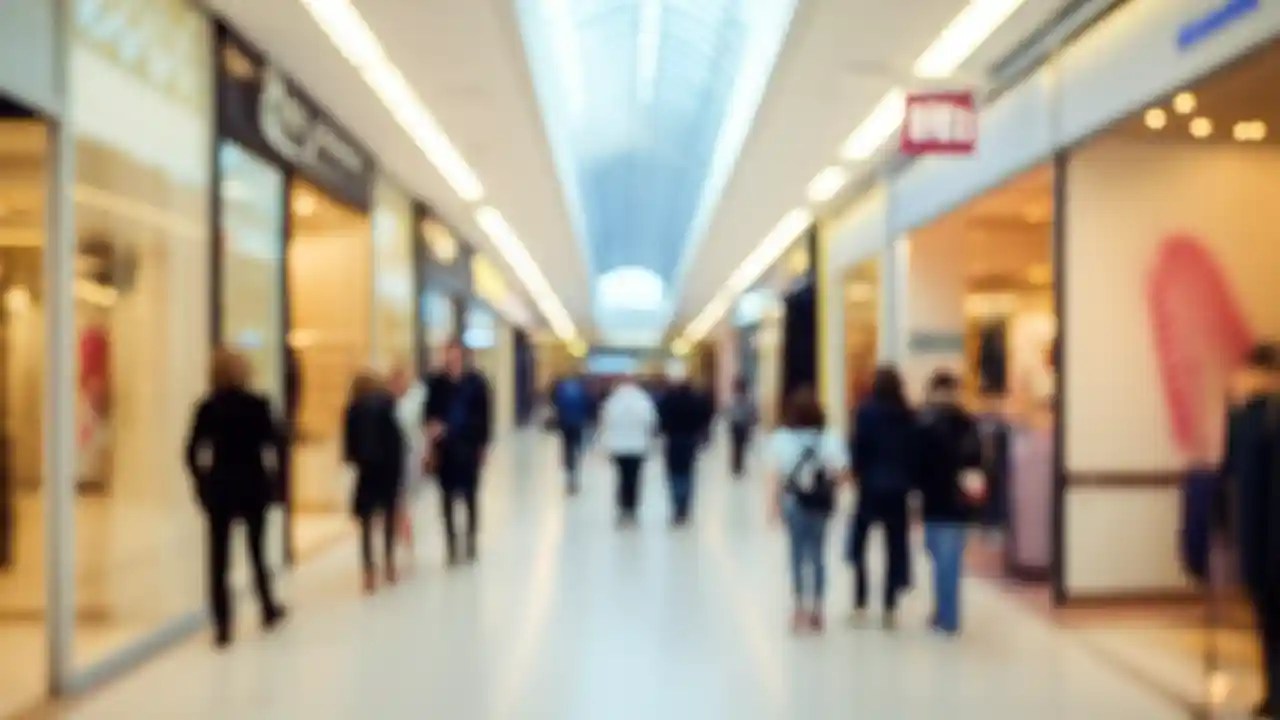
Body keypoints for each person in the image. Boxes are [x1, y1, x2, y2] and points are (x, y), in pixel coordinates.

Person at [184, 349, 286, 648]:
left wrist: (201, 482)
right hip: (253, 484)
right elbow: (276, 444)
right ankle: (267, 608)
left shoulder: (208, 407)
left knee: (219, 558)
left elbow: (192, 450)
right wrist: (274, 481)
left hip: (221, 487)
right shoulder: (258, 405)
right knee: (257, 551)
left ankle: (223, 625)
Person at [1222, 344, 1279, 719]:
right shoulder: (1248, 418)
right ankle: (1273, 692)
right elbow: (1229, 470)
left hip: (1266, 539)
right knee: (1267, 622)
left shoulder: (1257, 420)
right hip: (1260, 541)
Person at [769, 387, 850, 633]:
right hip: (821, 504)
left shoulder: (781, 438)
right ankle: (818, 609)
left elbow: (774, 476)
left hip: (793, 502)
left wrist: (772, 506)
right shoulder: (831, 438)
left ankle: (798, 609)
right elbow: (843, 473)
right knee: (817, 555)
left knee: (796, 555)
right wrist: (827, 486)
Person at [916, 370, 985, 636]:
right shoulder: (967, 424)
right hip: (958, 501)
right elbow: (977, 462)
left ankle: (948, 617)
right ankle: (944, 612)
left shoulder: (925, 423)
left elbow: (918, 465)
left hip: (935, 501)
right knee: (948, 560)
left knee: (942, 560)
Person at [847, 366, 916, 628]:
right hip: (898, 489)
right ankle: (889, 606)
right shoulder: (907, 414)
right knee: (895, 545)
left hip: (870, 486)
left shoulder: (865, 412)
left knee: (860, 544)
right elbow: (913, 451)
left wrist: (856, 473)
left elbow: (859, 446)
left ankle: (860, 601)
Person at [424, 341, 492, 565]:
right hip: (445, 449)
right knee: (446, 498)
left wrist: (483, 446)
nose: (451, 359)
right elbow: (428, 414)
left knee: (471, 496)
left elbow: (485, 417)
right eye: (448, 355)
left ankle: (471, 541)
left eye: (455, 355)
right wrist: (432, 439)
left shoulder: (477, 383)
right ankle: (451, 544)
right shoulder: (436, 383)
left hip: (469, 447)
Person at [344, 371, 406, 593]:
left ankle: (369, 572)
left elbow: (349, 448)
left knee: (367, 523)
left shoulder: (352, 409)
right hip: (387, 470)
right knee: (388, 517)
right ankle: (389, 565)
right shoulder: (387, 405)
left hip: (366, 470)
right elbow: (397, 440)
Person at [599, 375, 658, 525]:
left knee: (621, 477)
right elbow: (651, 421)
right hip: (638, 446)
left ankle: (622, 508)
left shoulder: (613, 400)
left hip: (618, 447)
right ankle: (632, 508)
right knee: (635, 478)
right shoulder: (643, 400)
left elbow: (605, 421)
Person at [388, 362, 428, 560]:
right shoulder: (389, 403)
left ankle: (404, 537)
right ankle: (401, 537)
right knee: (398, 501)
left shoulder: (416, 400)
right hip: (392, 458)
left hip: (411, 456)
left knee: (403, 500)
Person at [658, 375, 706, 526]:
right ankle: (684, 507)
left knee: (674, 475)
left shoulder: (668, 400)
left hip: (672, 441)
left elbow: (661, 420)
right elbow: (703, 418)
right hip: (690, 441)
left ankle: (676, 506)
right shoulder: (695, 401)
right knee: (687, 473)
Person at [552, 373, 592, 495]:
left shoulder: (562, 390)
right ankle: (574, 469)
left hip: (565, 424)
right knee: (576, 447)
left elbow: (556, 404)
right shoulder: (582, 390)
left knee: (568, 448)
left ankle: (569, 470)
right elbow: (589, 405)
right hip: (578, 424)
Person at [727, 377, 758, 478]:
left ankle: (736, 466)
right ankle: (738, 466)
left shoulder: (734, 399)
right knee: (741, 447)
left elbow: (729, 413)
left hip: (736, 426)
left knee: (736, 447)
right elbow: (752, 414)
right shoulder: (747, 400)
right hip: (743, 426)